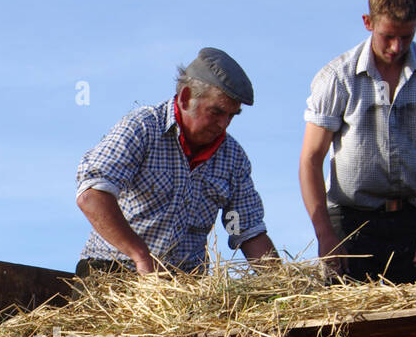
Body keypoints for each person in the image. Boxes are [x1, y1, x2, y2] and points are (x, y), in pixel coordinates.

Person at [299, 0, 416, 283]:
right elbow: (310, 159)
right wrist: (326, 236)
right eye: (388, 36)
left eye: (407, 37)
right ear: (367, 22)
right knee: (345, 326)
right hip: (350, 224)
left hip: (411, 223)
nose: (397, 47)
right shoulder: (337, 77)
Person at [76, 47, 278, 275]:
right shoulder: (143, 128)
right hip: (113, 272)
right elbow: (92, 196)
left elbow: (247, 230)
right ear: (186, 97)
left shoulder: (232, 157)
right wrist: (140, 255)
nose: (224, 124)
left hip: (185, 285)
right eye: (216, 112)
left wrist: (284, 287)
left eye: (231, 116)